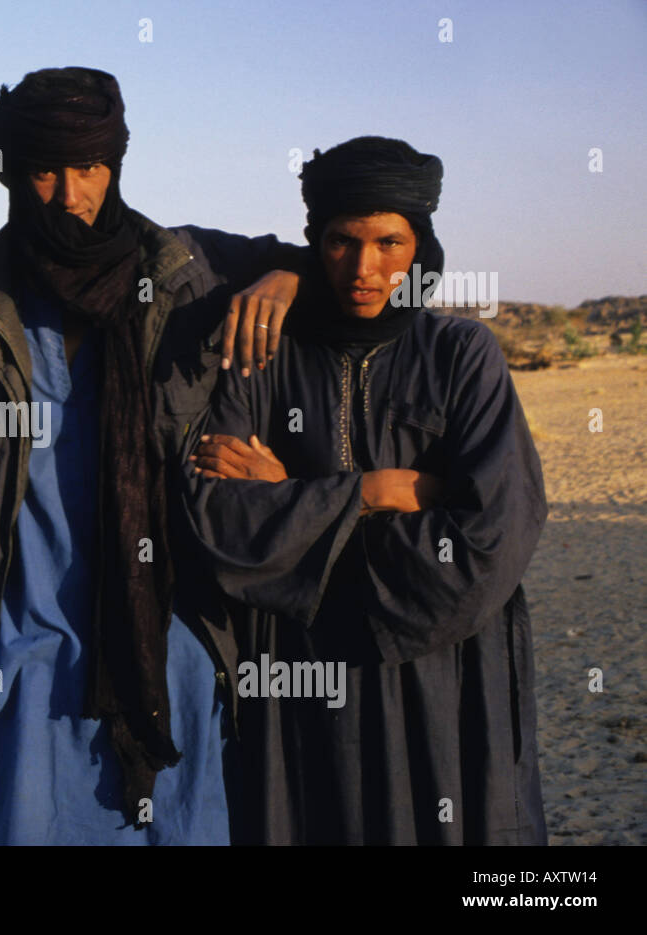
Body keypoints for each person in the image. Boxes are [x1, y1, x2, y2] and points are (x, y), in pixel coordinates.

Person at [0, 67, 306, 844]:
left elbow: (359, 271)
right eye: (45, 170)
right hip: (31, 657)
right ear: (9, 170)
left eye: (90, 167)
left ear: (117, 163)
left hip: (176, 642)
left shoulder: (192, 273)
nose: (70, 194)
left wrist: (288, 279)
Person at [184, 136, 547, 844]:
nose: (364, 268)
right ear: (315, 243)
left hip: (444, 671)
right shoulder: (263, 354)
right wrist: (380, 489)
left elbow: (486, 544)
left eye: (389, 242)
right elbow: (218, 520)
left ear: (422, 245)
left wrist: (295, 500)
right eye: (342, 242)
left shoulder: (462, 356)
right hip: (300, 681)